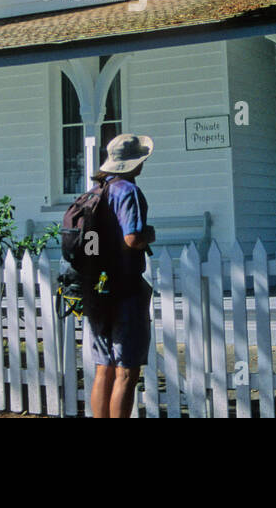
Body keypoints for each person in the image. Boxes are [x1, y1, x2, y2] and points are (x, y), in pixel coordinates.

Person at [87, 132, 156, 419]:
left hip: (96, 288)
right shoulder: (128, 191)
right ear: (133, 164)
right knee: (127, 371)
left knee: (104, 368)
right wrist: (149, 234)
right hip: (125, 289)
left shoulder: (95, 191)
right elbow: (132, 239)